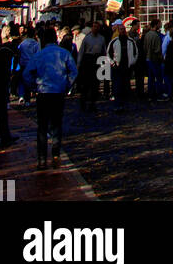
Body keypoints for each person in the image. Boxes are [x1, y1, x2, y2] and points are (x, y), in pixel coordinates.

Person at [22, 25, 77, 169]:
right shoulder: (64, 53)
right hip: (58, 93)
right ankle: (56, 155)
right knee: (56, 124)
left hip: (43, 93)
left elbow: (27, 74)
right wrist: (66, 85)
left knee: (42, 126)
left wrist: (34, 86)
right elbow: (74, 71)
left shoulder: (39, 55)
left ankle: (41, 159)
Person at [106, 20, 138, 109]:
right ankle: (117, 104)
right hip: (117, 67)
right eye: (121, 29)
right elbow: (108, 54)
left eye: (124, 29)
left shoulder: (131, 41)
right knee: (117, 87)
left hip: (127, 67)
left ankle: (125, 104)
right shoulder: (114, 42)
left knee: (126, 87)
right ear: (118, 31)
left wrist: (132, 62)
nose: (123, 31)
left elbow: (136, 53)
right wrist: (113, 64)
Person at [77, 22, 106, 112]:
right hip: (88, 61)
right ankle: (83, 103)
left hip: (97, 60)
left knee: (95, 84)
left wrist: (104, 64)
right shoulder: (87, 38)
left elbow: (103, 51)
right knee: (86, 84)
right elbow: (81, 51)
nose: (95, 28)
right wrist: (79, 64)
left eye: (97, 27)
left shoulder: (101, 39)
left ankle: (92, 103)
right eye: (94, 27)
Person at [15, 25, 40, 107]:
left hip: (23, 64)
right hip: (31, 64)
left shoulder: (23, 43)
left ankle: (21, 96)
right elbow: (38, 55)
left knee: (21, 80)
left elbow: (18, 52)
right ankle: (27, 100)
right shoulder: (36, 44)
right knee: (28, 82)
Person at [143, 18, 165, 101]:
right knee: (158, 78)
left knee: (150, 78)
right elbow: (157, 50)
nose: (160, 25)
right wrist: (161, 58)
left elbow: (144, 47)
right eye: (159, 24)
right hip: (155, 59)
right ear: (156, 25)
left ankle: (150, 95)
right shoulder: (156, 35)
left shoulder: (147, 35)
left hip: (148, 58)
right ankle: (159, 94)